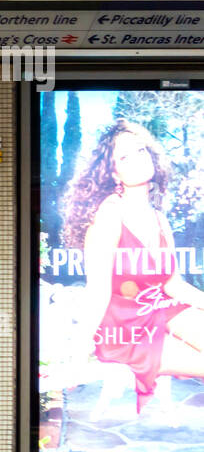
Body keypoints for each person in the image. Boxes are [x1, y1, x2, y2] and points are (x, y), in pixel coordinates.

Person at [63, 119, 204, 415]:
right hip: (123, 328)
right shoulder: (109, 215)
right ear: (114, 172)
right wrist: (76, 358)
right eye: (125, 156)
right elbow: (98, 292)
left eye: (141, 150)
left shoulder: (159, 219)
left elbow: (173, 285)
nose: (138, 158)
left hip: (159, 310)